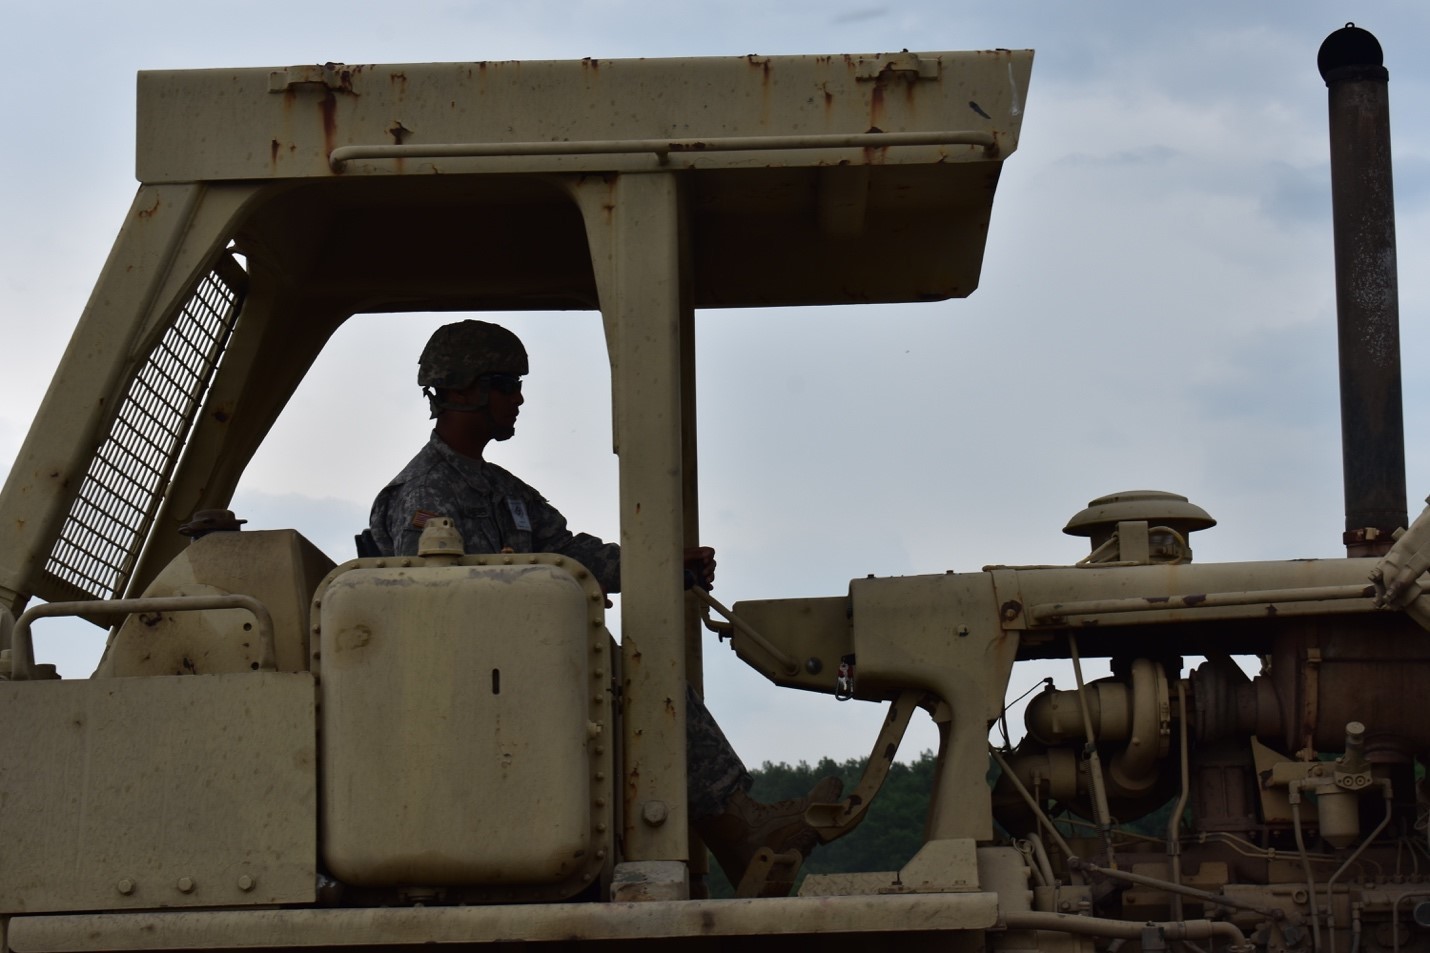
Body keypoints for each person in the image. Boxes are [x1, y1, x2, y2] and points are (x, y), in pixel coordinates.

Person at [369, 319, 838, 892]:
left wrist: (663, 565)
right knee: (628, 672)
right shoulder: (422, 494)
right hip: (483, 698)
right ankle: (740, 832)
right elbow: (442, 614)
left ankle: (740, 830)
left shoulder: (503, 489)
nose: (518, 398)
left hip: (529, 681)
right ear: (463, 389)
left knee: (639, 668)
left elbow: (568, 551)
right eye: (506, 384)